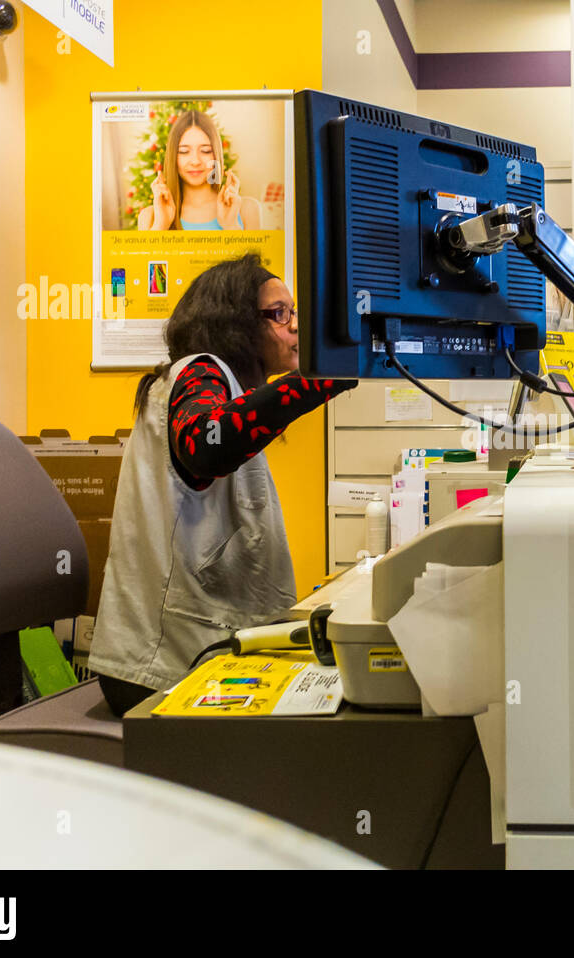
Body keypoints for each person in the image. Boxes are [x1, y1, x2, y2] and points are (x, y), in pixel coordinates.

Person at [88, 254, 356, 714]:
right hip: (158, 668)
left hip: (189, 650)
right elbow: (205, 446)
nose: (295, 327)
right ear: (234, 324)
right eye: (279, 314)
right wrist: (319, 378)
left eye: (295, 312)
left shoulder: (225, 388)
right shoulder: (198, 369)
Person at [137, 110, 261, 231]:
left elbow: (252, 252)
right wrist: (160, 226)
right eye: (184, 151)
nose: (195, 161)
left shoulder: (247, 209)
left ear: (216, 155)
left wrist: (231, 226)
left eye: (205, 151)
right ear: (173, 156)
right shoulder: (150, 216)